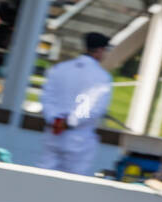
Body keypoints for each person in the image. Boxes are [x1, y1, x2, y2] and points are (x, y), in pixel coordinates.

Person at [40, 31, 113, 176]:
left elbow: (47, 97)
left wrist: (55, 119)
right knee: (72, 183)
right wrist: (70, 122)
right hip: (80, 136)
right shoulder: (101, 76)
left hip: (54, 132)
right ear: (100, 50)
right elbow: (94, 108)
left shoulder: (60, 68)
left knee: (43, 177)